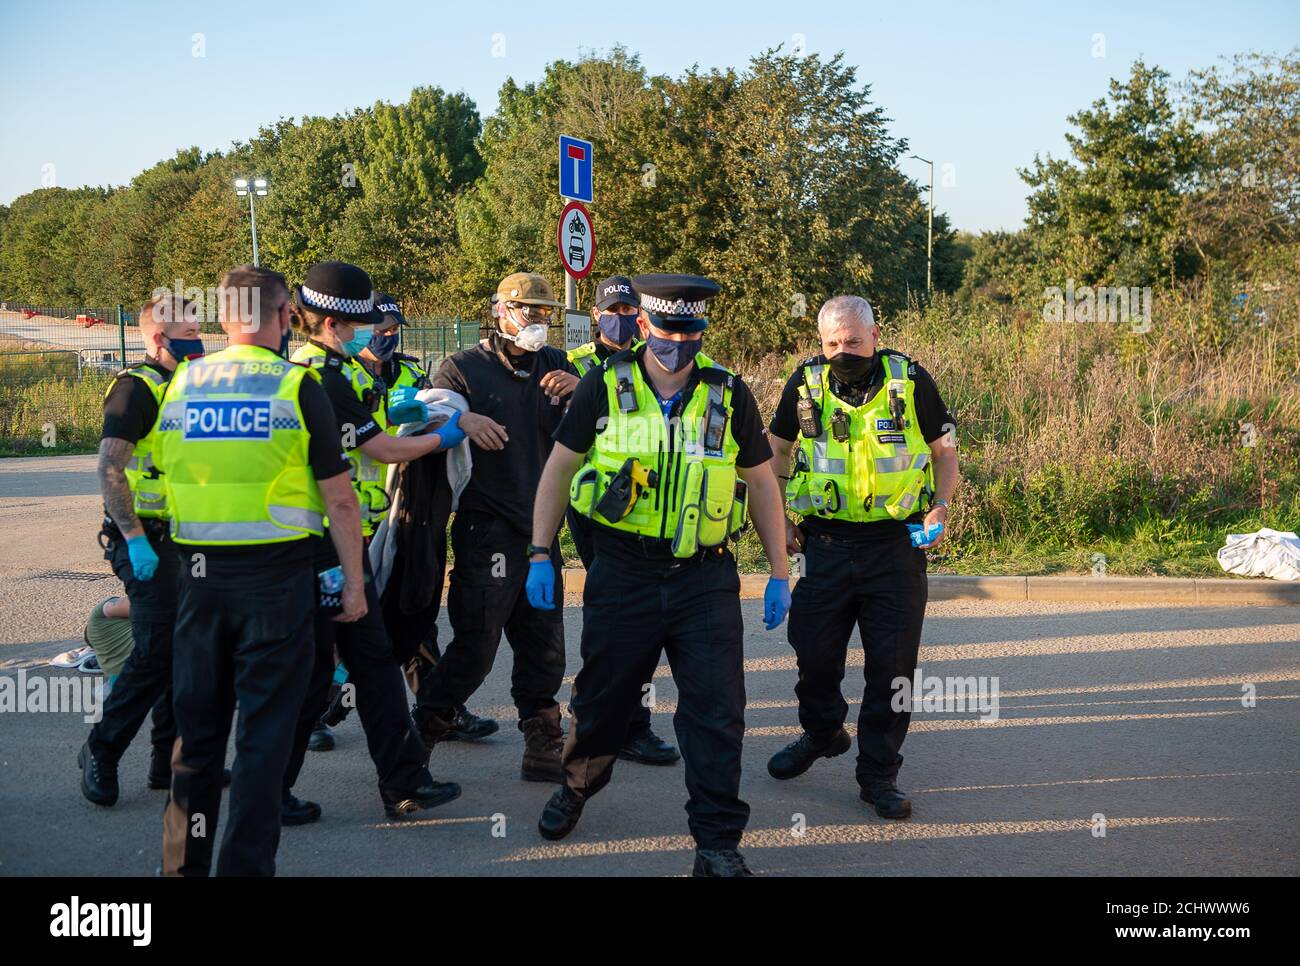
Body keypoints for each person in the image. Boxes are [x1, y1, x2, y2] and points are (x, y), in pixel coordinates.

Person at [526, 273, 792, 877]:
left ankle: (717, 843)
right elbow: (560, 469)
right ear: (643, 325)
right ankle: (576, 786)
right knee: (602, 699)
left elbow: (760, 483)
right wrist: (540, 552)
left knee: (717, 711)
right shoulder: (603, 385)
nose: (678, 343)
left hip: (705, 577)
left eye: (691, 332)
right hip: (623, 570)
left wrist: (780, 571)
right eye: (667, 331)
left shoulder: (728, 392)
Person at [154, 265, 366, 876]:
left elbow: (164, 471)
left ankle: (182, 868)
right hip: (277, 582)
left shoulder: (183, 383)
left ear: (224, 318)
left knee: (197, 741)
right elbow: (340, 499)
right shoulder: (296, 386)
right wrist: (353, 585)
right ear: (283, 317)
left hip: (198, 582)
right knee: (263, 740)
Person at [281, 262, 462, 825]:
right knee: (323, 672)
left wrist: (404, 414)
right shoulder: (320, 377)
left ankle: (403, 783)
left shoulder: (333, 368)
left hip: (343, 538)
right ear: (332, 322)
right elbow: (380, 449)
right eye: (363, 324)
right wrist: (440, 438)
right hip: (325, 542)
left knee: (372, 665)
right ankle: (272, 788)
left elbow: (370, 428)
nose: (372, 333)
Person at [765, 295, 959, 818]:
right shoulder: (804, 383)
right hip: (823, 546)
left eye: (852, 341)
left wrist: (940, 506)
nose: (842, 351)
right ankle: (823, 732)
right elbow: (775, 451)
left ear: (875, 335)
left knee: (892, 671)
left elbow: (944, 454)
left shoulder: (910, 381)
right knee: (812, 653)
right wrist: (780, 518)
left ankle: (878, 774)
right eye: (832, 343)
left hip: (894, 548)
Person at [410, 272, 574, 783]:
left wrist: (583, 389)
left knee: (545, 645)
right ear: (500, 310)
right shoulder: (462, 368)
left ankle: (542, 745)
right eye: (529, 310)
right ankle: (415, 744)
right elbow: (422, 419)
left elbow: (597, 420)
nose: (538, 320)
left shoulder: (557, 365)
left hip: (541, 532)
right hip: (487, 529)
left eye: (545, 312)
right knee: (476, 647)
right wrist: (462, 422)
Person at [78, 293, 204, 807]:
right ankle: (101, 749)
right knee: (156, 649)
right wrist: (133, 540)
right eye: (190, 334)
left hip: (185, 538)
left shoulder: (189, 385)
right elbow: (110, 467)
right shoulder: (135, 389)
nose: (199, 341)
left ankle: (168, 765)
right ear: (158, 338)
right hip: (142, 539)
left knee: (183, 648)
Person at [564, 275, 678, 767]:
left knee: (636, 619)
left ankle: (626, 722)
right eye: (612, 310)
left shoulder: (656, 363)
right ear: (596, 314)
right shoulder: (573, 364)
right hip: (595, 508)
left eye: (629, 310)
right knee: (613, 619)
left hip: (647, 504)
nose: (621, 317)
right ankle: (605, 720)